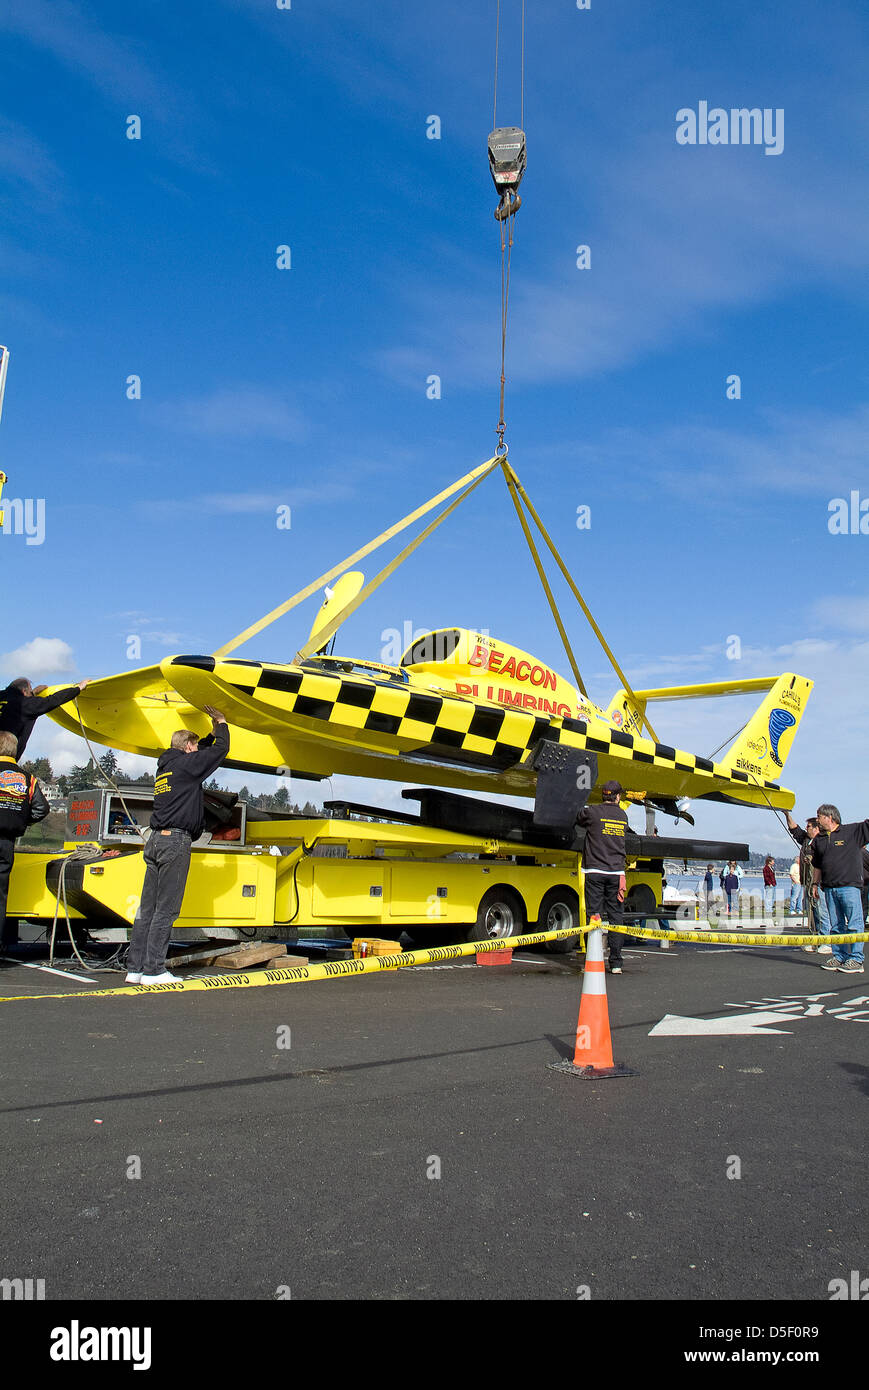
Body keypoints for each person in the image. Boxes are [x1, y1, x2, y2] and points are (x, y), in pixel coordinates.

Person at [126, 706, 229, 986]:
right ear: (187, 747)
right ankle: (155, 970)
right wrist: (221, 724)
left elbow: (202, 752)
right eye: (194, 746)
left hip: (156, 839)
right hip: (175, 842)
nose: (197, 751)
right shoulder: (186, 765)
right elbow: (219, 751)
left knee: (147, 909)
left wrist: (205, 735)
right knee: (167, 909)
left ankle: (135, 969)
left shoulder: (167, 768)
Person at [0, 731, 50, 947]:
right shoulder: (28, 778)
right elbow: (42, 808)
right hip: (7, 843)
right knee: (0, 897)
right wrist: (22, 821)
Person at [577, 779, 629, 974]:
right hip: (616, 872)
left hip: (595, 871)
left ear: (603, 795)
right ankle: (616, 963)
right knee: (616, 918)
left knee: (594, 915)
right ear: (617, 796)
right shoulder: (623, 816)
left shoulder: (593, 812)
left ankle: (593, 958)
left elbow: (578, 817)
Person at [810, 803, 868, 974]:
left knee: (855, 924)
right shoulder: (819, 840)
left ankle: (856, 960)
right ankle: (839, 955)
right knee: (836, 925)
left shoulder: (852, 831)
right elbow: (817, 865)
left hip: (849, 887)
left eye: (819, 816)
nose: (817, 820)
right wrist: (814, 884)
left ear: (830, 817)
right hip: (829, 888)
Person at [0, 677, 90, 760]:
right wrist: (78, 688)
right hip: (5, 758)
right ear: (24, 691)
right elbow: (52, 700)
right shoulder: (24, 704)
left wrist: (32, 693)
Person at [786, 813, 831, 953]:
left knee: (822, 912)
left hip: (820, 883)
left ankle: (826, 942)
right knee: (811, 912)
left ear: (816, 829)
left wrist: (811, 859)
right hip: (807, 882)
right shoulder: (806, 839)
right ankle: (814, 940)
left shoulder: (824, 841)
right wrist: (786, 813)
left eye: (809, 827)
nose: (806, 829)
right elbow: (794, 828)